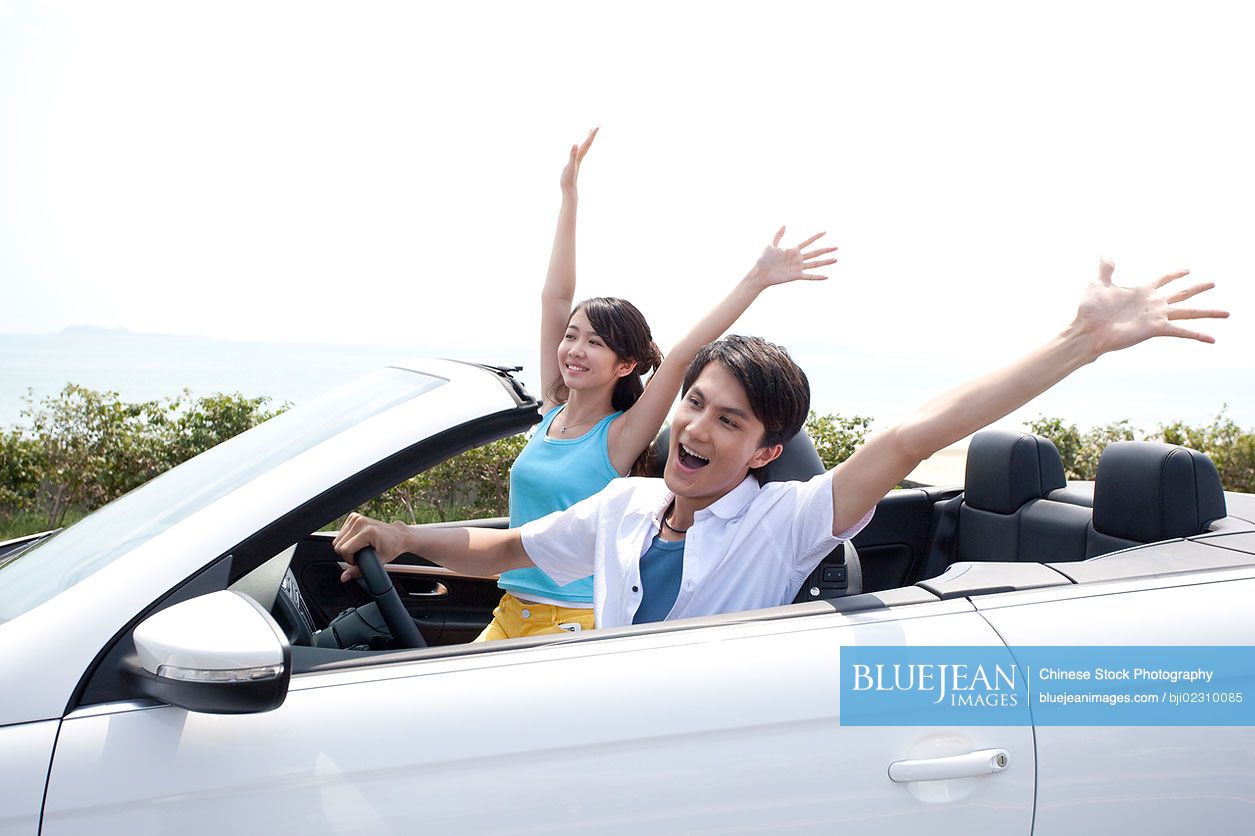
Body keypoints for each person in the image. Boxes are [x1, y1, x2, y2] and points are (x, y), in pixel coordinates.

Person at [338, 261, 1227, 631]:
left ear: (765, 451)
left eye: (730, 422)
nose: (694, 429)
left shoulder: (789, 519)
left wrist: (1078, 340)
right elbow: (509, 547)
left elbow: (915, 434)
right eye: (695, 405)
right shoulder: (628, 505)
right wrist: (402, 536)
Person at [469, 129, 838, 640]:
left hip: (570, 621)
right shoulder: (553, 408)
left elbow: (687, 351)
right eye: (572, 337)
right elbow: (555, 299)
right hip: (511, 609)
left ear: (627, 365)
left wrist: (756, 279)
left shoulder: (620, 435)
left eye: (595, 343)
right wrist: (569, 197)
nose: (575, 348)